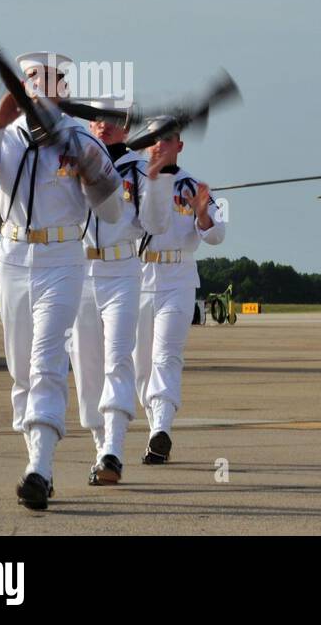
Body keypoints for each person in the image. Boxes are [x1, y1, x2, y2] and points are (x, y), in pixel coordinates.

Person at [0, 51, 123, 509]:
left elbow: (111, 212)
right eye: (29, 78)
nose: (36, 86)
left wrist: (90, 171)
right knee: (21, 372)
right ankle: (37, 462)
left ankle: (39, 469)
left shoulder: (79, 140)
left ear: (62, 89)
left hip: (62, 260)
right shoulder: (4, 138)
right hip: (12, 259)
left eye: (46, 79)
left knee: (47, 360)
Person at [69, 116, 173, 485]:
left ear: (128, 128)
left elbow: (157, 224)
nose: (104, 126)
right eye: (97, 119)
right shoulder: (73, 159)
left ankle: (113, 449)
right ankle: (102, 448)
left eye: (114, 120)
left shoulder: (140, 170)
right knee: (86, 367)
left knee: (118, 359)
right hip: (78, 273)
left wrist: (161, 176)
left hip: (123, 272)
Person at [133, 116, 227, 465]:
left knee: (166, 356)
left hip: (178, 279)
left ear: (179, 146)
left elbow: (216, 235)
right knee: (141, 367)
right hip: (138, 278)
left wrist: (202, 214)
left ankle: (162, 430)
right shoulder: (131, 181)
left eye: (167, 139)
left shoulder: (192, 186)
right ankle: (155, 427)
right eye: (153, 139)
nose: (158, 144)